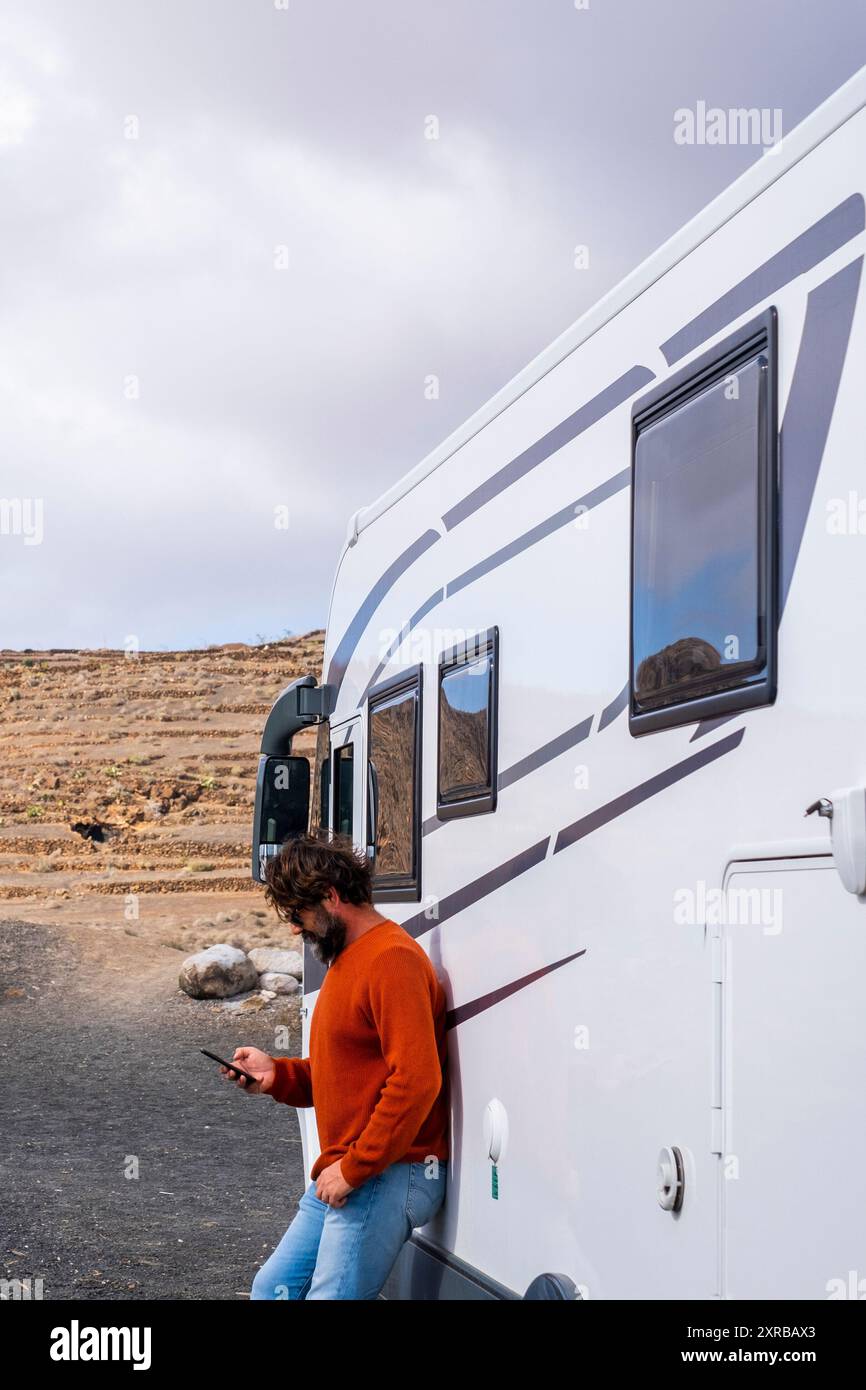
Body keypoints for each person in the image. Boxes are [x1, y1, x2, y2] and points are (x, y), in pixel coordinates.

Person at [223, 831, 450, 1300]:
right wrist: (277, 1076)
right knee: (273, 1288)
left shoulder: (392, 960)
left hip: (386, 1170)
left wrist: (354, 1168)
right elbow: (346, 1074)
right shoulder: (349, 960)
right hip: (348, 1169)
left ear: (331, 896)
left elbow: (417, 1080)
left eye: (298, 913)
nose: (294, 929)